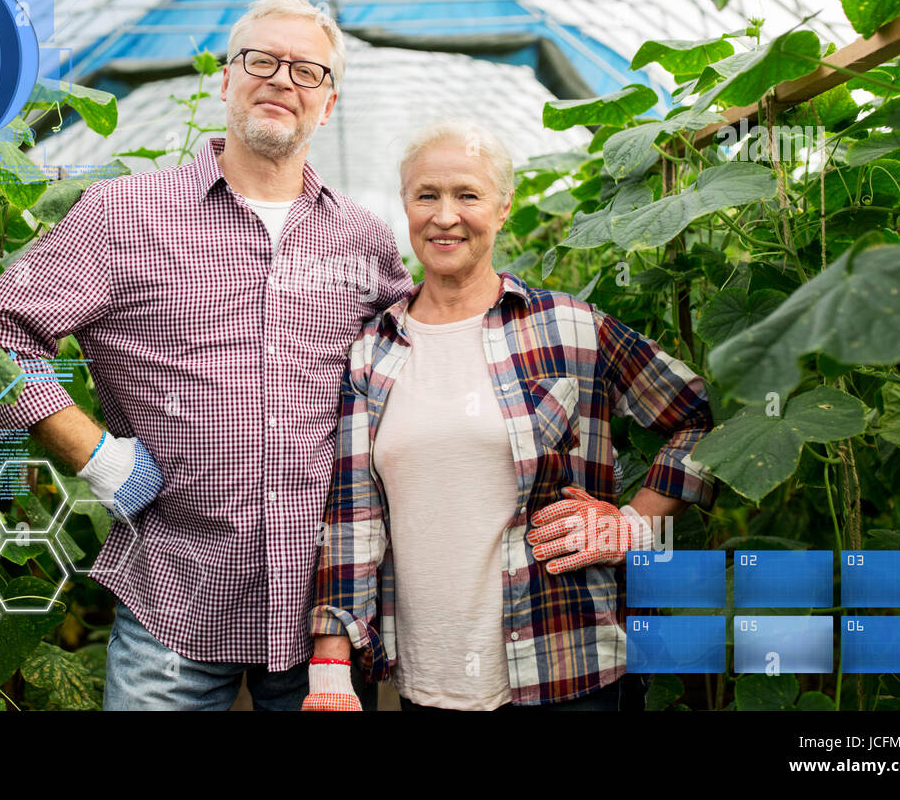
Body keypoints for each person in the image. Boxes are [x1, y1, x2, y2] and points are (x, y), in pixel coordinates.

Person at [0, 0, 412, 710]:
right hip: (174, 592)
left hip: (323, 599)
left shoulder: (364, 240)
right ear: (226, 80)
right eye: (261, 60)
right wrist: (98, 456)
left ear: (328, 105)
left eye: (308, 72)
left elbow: (413, 370)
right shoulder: (123, 214)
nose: (281, 80)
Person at [303, 119, 716, 711]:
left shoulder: (570, 328)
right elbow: (353, 517)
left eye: (467, 195)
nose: (446, 216)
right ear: (406, 207)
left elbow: (697, 415)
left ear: (502, 209)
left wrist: (635, 523)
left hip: (569, 663)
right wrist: (330, 667)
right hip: (430, 678)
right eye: (427, 195)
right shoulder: (374, 349)